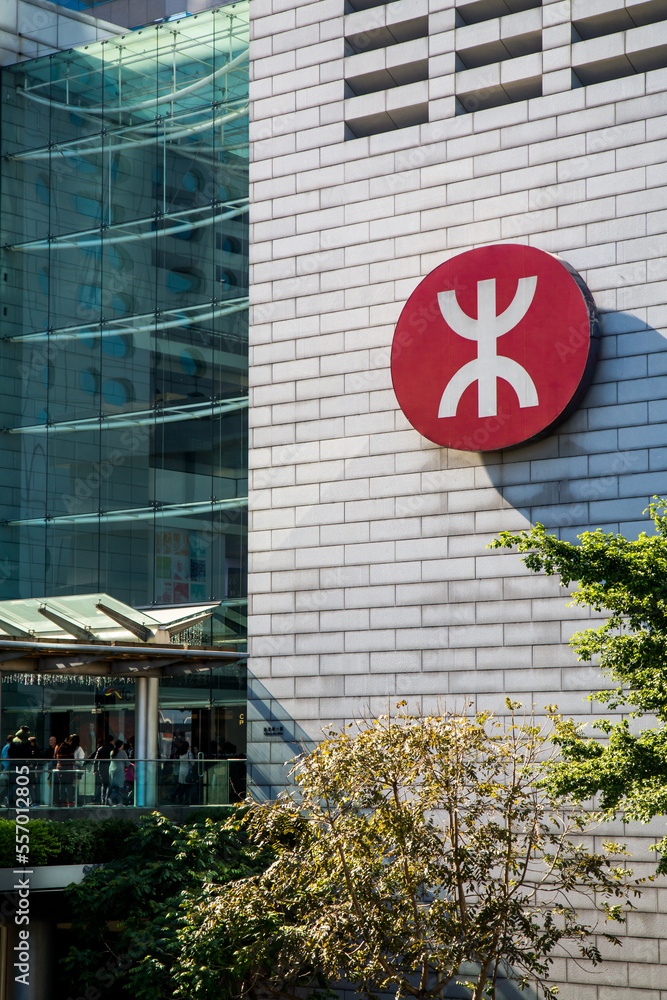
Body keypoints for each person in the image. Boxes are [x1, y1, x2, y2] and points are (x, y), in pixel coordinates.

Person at [54, 736, 75, 807]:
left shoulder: (57, 747)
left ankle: (63, 801)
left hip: (59, 767)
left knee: (61, 785)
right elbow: (72, 758)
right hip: (68, 767)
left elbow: (54, 757)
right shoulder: (68, 747)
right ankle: (70, 800)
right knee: (69, 785)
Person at [94, 735, 114, 805]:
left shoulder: (100, 749)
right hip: (111, 767)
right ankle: (108, 799)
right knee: (110, 784)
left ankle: (103, 799)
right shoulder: (113, 749)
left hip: (102, 768)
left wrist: (95, 770)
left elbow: (96, 760)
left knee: (104, 784)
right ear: (112, 741)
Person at [107, 740, 128, 806]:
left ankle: (119, 802)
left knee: (114, 786)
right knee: (118, 786)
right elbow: (127, 762)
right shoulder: (123, 752)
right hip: (119, 771)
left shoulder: (112, 752)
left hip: (112, 770)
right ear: (121, 745)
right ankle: (111, 798)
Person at [174, 740, 194, 804]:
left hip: (181, 770)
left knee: (181, 785)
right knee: (187, 786)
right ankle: (186, 799)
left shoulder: (181, 753)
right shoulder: (189, 754)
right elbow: (192, 763)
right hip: (187, 771)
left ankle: (178, 796)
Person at [0, 735, 13, 807]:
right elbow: (7, 758)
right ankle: (4, 799)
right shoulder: (8, 747)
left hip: (5, 767)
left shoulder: (5, 747)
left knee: (7, 786)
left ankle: (4, 799)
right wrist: (6, 768)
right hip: (7, 768)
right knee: (8, 786)